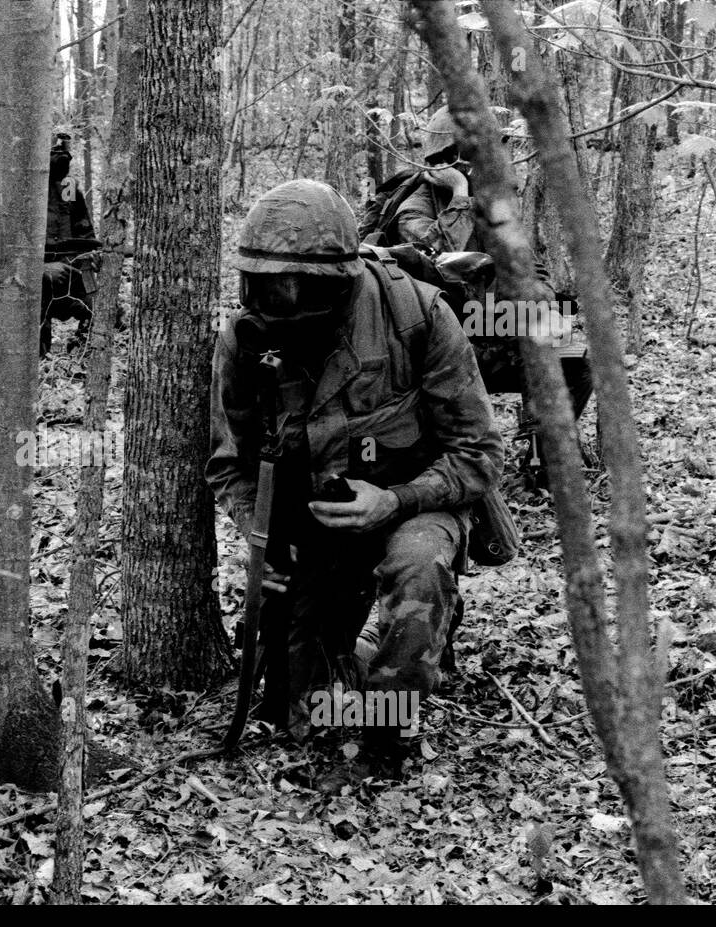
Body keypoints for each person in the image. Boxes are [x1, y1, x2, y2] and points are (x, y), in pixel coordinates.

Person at [207, 179, 503, 761]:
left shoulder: (416, 315)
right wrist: (263, 540)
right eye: (267, 285)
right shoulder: (244, 341)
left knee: (417, 567)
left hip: (415, 505)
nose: (282, 302)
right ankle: (377, 650)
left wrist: (394, 501)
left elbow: (481, 453)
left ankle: (387, 726)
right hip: (316, 523)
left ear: (337, 281)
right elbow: (228, 464)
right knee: (302, 711)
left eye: (298, 287)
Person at [396, 107, 593, 487]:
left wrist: (535, 302)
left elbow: (533, 272)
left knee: (575, 361)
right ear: (449, 160)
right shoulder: (413, 211)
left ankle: (540, 465)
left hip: (485, 337)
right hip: (430, 357)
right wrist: (459, 195)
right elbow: (439, 260)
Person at [0, 132, 101, 356]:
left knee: (103, 309)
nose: (60, 154)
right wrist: (37, 268)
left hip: (65, 275)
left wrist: (91, 259)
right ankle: (37, 360)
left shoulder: (67, 186)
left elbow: (84, 234)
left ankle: (79, 349)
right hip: (21, 278)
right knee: (33, 341)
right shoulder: (11, 183)